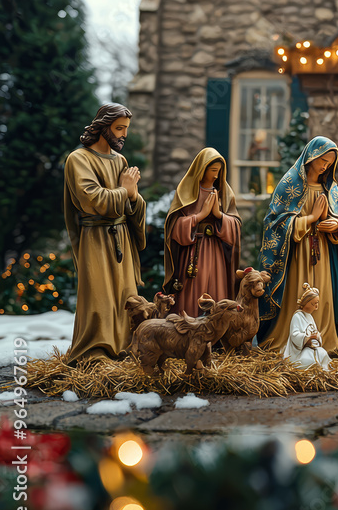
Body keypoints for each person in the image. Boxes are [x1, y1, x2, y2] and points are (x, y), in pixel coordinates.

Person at [257, 136, 338, 353]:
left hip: (323, 252)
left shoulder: (330, 188)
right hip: (296, 254)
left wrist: (336, 227)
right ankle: (290, 341)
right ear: (311, 156)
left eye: (329, 163)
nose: (325, 166)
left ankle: (324, 340)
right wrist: (310, 219)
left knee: (323, 297)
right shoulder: (289, 185)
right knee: (297, 296)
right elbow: (275, 224)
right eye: (323, 160)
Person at [63, 103, 146, 366]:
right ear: (103, 126)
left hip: (121, 238)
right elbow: (93, 200)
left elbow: (130, 198)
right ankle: (94, 353)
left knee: (125, 298)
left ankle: (125, 347)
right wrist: (125, 190)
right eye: (119, 128)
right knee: (99, 299)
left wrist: (132, 195)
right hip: (96, 238)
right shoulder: (79, 159)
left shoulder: (120, 160)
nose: (123, 135)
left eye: (126, 129)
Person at [163, 148, 241, 316]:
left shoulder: (225, 194)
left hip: (216, 253)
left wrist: (219, 215)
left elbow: (236, 227)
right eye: (213, 170)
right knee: (193, 292)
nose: (216, 175)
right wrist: (200, 216)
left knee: (216, 288)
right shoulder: (187, 192)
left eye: (219, 171)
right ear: (202, 169)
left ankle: (217, 334)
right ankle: (189, 330)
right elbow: (174, 228)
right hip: (193, 253)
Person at [282, 283, 332, 370]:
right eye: (314, 303)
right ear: (307, 303)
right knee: (308, 360)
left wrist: (317, 337)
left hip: (312, 347)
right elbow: (294, 335)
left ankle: (324, 370)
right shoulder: (297, 316)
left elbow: (315, 331)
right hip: (301, 351)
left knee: (323, 353)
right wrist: (307, 338)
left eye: (317, 303)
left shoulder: (310, 316)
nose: (317, 307)